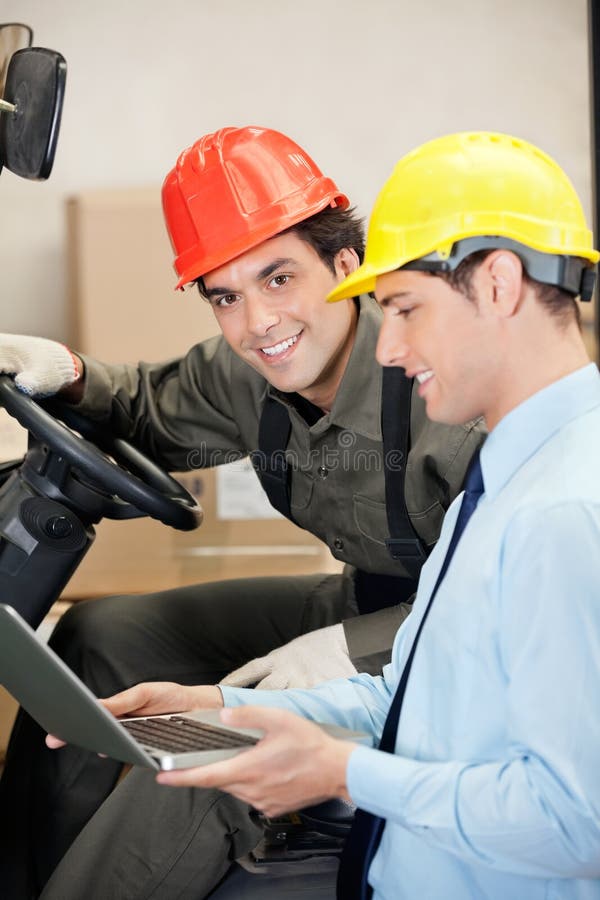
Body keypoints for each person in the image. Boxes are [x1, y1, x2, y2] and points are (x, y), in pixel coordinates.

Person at [59, 130, 600, 900]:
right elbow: (418, 682)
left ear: (499, 285)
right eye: (226, 296)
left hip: (449, 860)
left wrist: (339, 766)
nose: (390, 345)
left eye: (404, 309)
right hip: (405, 820)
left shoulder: (552, 504)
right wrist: (223, 705)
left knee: (192, 782)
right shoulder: (519, 475)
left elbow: (578, 820)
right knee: (111, 644)